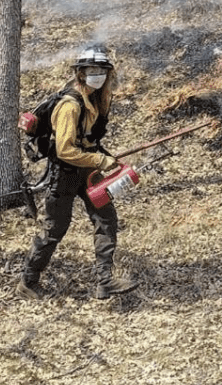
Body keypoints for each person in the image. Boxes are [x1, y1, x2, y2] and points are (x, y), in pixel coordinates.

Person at [18, 45, 140, 300]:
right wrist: (99, 159)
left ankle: (104, 281)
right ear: (81, 73)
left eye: (102, 70)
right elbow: (64, 150)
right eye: (92, 70)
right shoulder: (70, 106)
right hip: (65, 174)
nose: (98, 74)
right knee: (55, 229)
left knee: (106, 219)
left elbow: (89, 139)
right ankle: (28, 281)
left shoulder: (97, 99)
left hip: (88, 172)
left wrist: (102, 158)